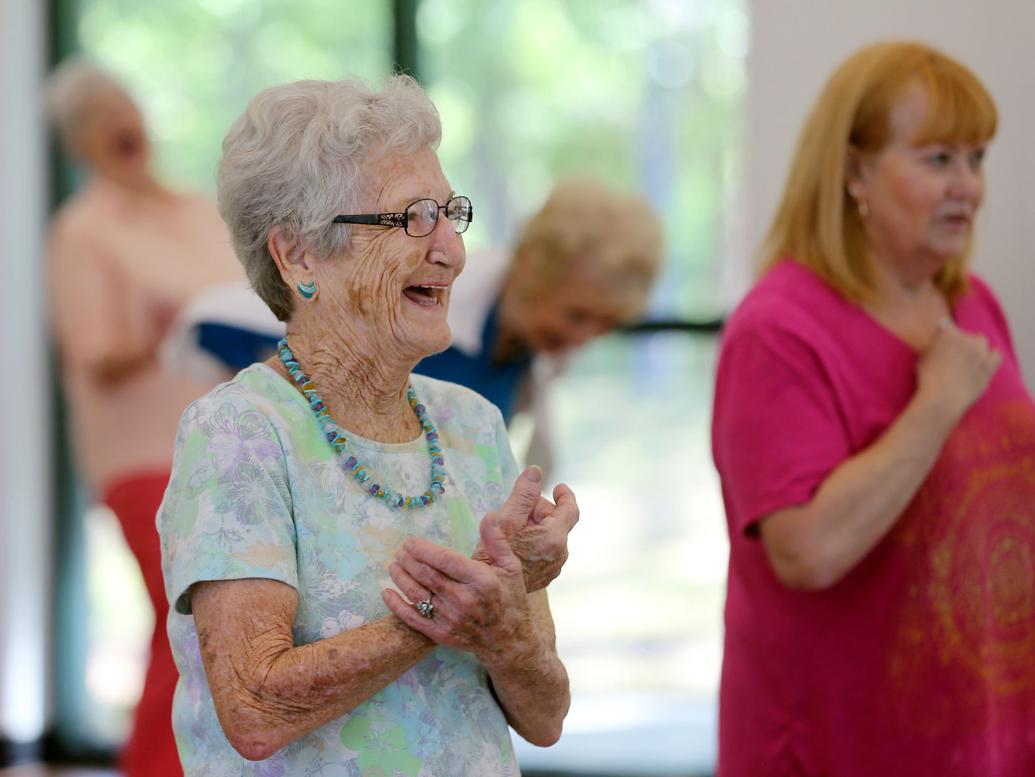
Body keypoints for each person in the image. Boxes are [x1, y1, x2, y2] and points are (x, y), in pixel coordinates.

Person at [156, 75, 579, 776]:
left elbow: (546, 717)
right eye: (413, 217)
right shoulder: (238, 433)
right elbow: (256, 710)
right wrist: (446, 609)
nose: (452, 250)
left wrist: (506, 629)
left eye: (451, 213)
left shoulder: (471, 425)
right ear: (298, 256)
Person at [711, 40, 1035, 775]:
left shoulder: (970, 301)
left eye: (976, 158)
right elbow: (808, 549)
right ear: (852, 168)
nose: (967, 187)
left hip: (984, 728)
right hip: (839, 744)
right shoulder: (778, 329)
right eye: (936, 159)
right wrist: (937, 402)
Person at [45, 59, 244, 777]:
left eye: (122, 105)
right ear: (79, 144)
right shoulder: (83, 230)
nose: (115, 121)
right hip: (143, 458)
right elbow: (95, 353)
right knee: (188, 623)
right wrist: (171, 327)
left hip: (229, 445)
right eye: (95, 117)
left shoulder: (198, 212)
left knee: (225, 625)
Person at [414, 178, 661, 451]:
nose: (582, 340)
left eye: (606, 324)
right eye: (578, 316)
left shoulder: (537, 346)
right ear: (534, 270)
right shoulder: (433, 302)